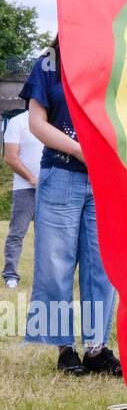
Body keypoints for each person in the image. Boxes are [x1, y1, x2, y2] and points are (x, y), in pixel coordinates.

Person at [20, 40, 120, 375]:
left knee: (103, 266)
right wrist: (80, 150)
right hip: (61, 174)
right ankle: (65, 349)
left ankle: (97, 348)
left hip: (105, 180)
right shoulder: (48, 64)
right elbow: (37, 123)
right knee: (55, 265)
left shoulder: (112, 60)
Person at [4, 109, 43, 288]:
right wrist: (31, 178)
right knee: (17, 233)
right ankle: (10, 275)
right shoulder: (17, 122)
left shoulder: (51, 120)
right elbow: (10, 157)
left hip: (51, 188)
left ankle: (44, 277)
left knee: (48, 237)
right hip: (24, 189)